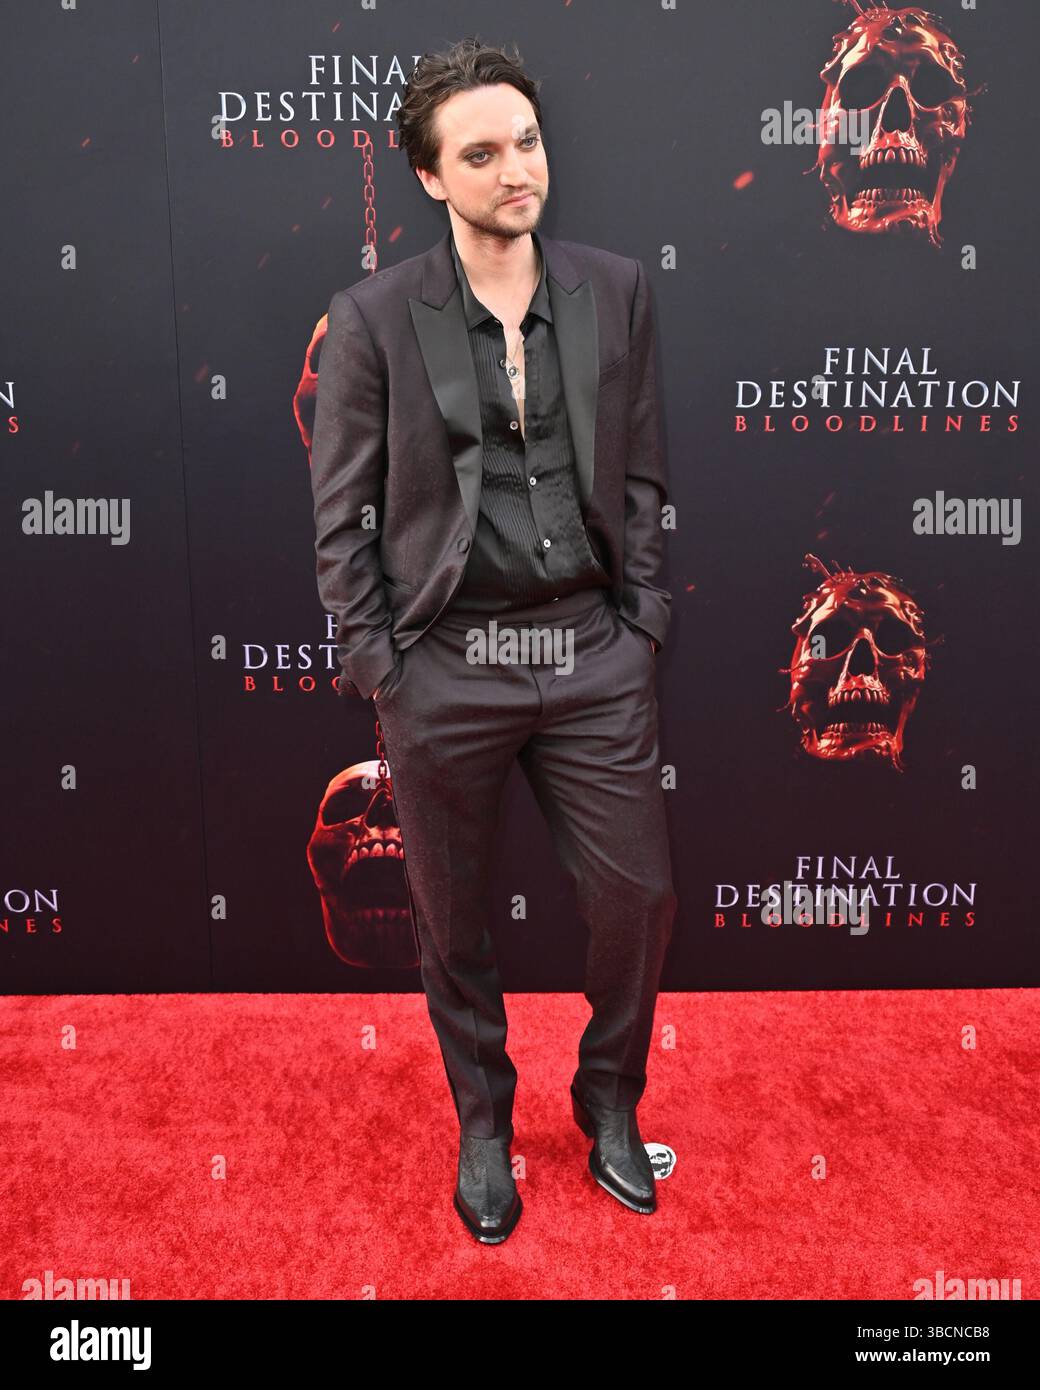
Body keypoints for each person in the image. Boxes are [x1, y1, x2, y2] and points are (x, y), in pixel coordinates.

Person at [310, 36, 677, 1244]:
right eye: (481, 152)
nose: (515, 168)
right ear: (429, 177)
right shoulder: (370, 319)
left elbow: (637, 477)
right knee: (448, 916)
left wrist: (640, 626)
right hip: (446, 663)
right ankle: (483, 1120)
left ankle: (609, 1097)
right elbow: (340, 519)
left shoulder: (614, 287)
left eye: (525, 140)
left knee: (638, 898)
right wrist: (385, 672)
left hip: (588, 650)